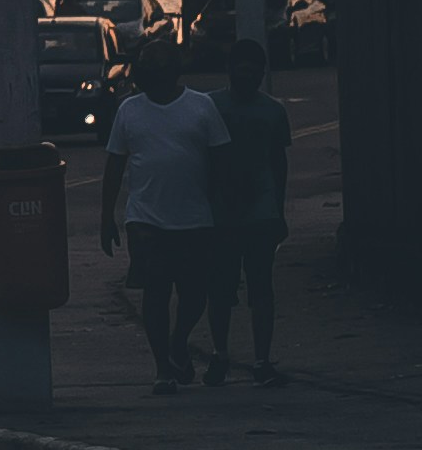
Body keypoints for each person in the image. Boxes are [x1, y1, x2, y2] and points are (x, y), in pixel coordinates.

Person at [97, 33, 233, 394]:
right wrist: (106, 215)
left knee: (194, 293)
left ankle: (178, 342)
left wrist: (223, 213)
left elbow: (221, 163)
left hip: (195, 217)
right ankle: (162, 368)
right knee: (155, 292)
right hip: (146, 218)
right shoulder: (129, 110)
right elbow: (114, 164)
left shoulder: (202, 107)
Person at [212, 32, 294, 387]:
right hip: (225, 212)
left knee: (257, 287)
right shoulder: (212, 107)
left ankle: (253, 358)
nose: (247, 77)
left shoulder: (271, 112)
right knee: (224, 288)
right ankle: (223, 355)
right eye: (242, 70)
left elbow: (279, 164)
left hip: (256, 211)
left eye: (252, 71)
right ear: (230, 71)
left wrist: (279, 210)